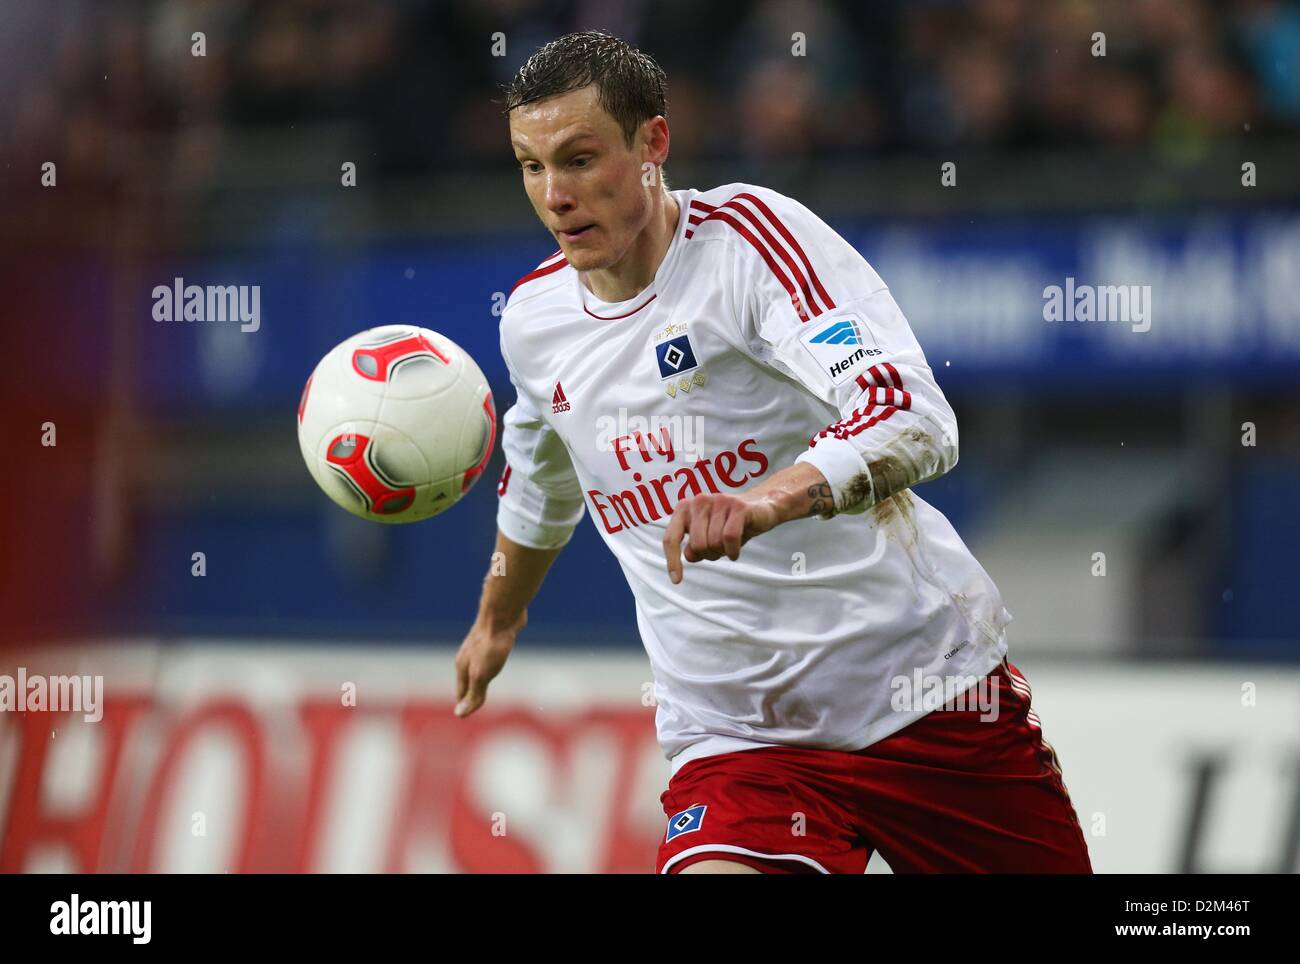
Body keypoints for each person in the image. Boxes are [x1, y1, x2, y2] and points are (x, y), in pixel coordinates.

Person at [454, 30, 1092, 874]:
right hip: (738, 741)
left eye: (578, 159)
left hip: (927, 700)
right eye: (532, 168)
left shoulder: (749, 246)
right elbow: (541, 476)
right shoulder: (534, 323)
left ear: (654, 145)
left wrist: (767, 500)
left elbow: (913, 416)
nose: (556, 196)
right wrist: (499, 619)